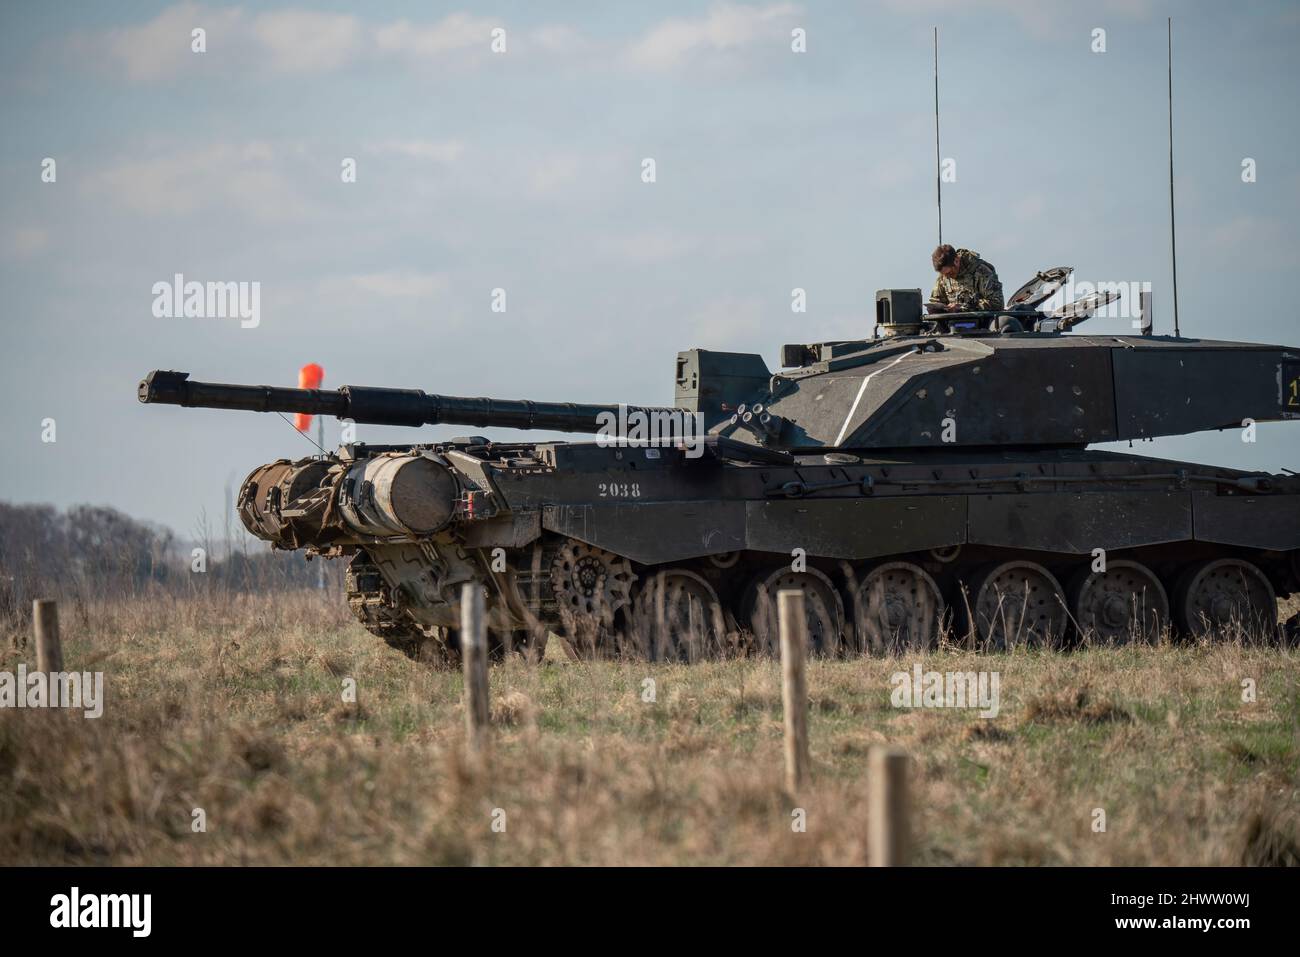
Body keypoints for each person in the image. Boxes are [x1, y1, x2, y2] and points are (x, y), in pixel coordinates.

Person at [928, 244, 1004, 314]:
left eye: (949, 273)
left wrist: (963, 307)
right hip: (951, 323)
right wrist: (936, 308)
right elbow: (936, 301)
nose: (948, 277)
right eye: (943, 274)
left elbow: (997, 303)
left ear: (956, 261)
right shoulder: (944, 276)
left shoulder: (981, 272)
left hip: (982, 322)